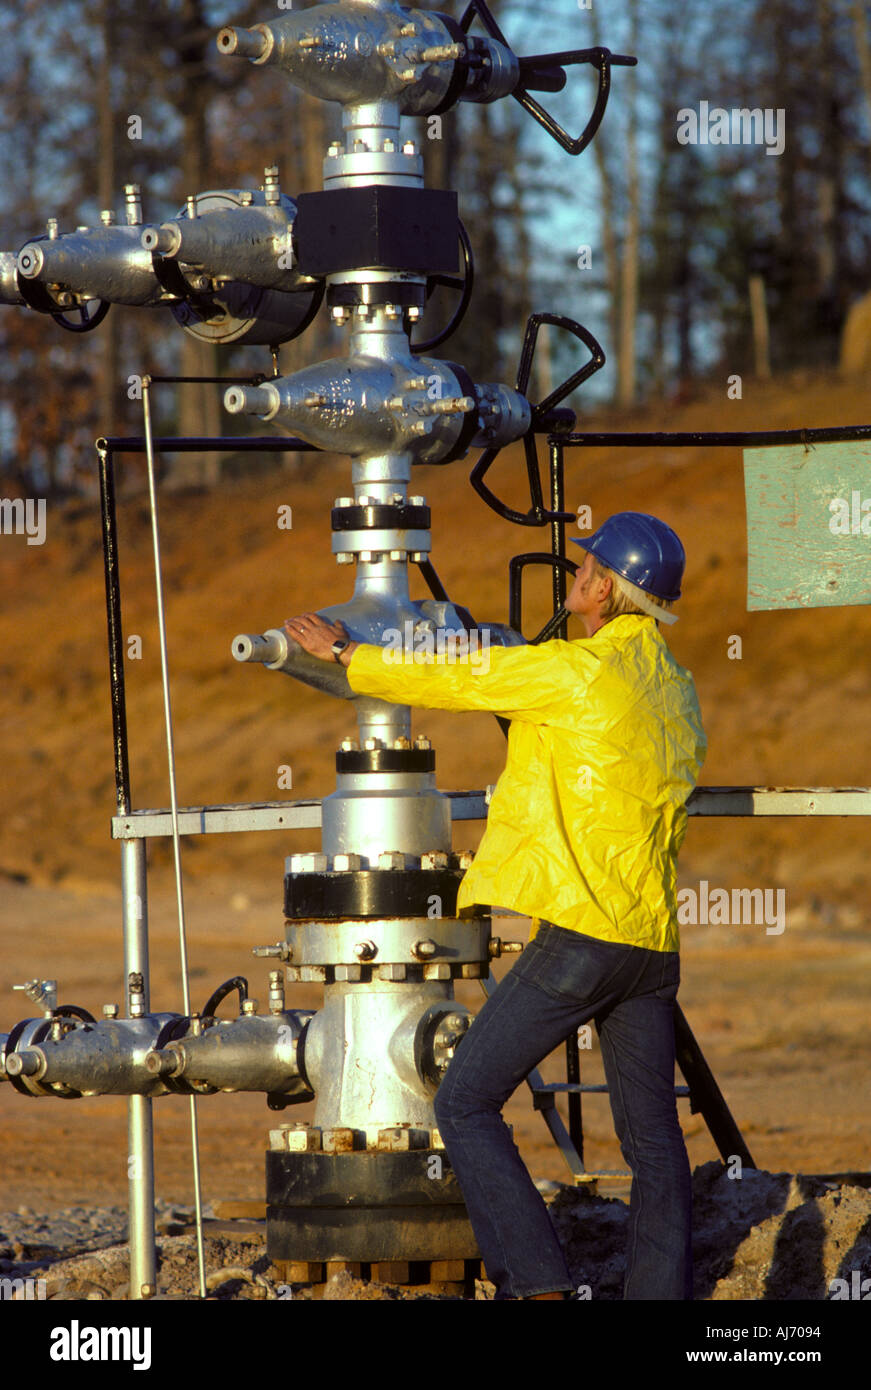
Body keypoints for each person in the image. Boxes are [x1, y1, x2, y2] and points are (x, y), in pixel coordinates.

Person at [284, 511, 707, 1301]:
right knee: (652, 1142)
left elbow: (461, 680)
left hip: (579, 938)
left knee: (466, 1099)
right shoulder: (673, 686)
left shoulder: (573, 672)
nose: (576, 577)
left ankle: (536, 1285)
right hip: (649, 945)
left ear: (610, 592)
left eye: (587, 571)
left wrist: (348, 655)